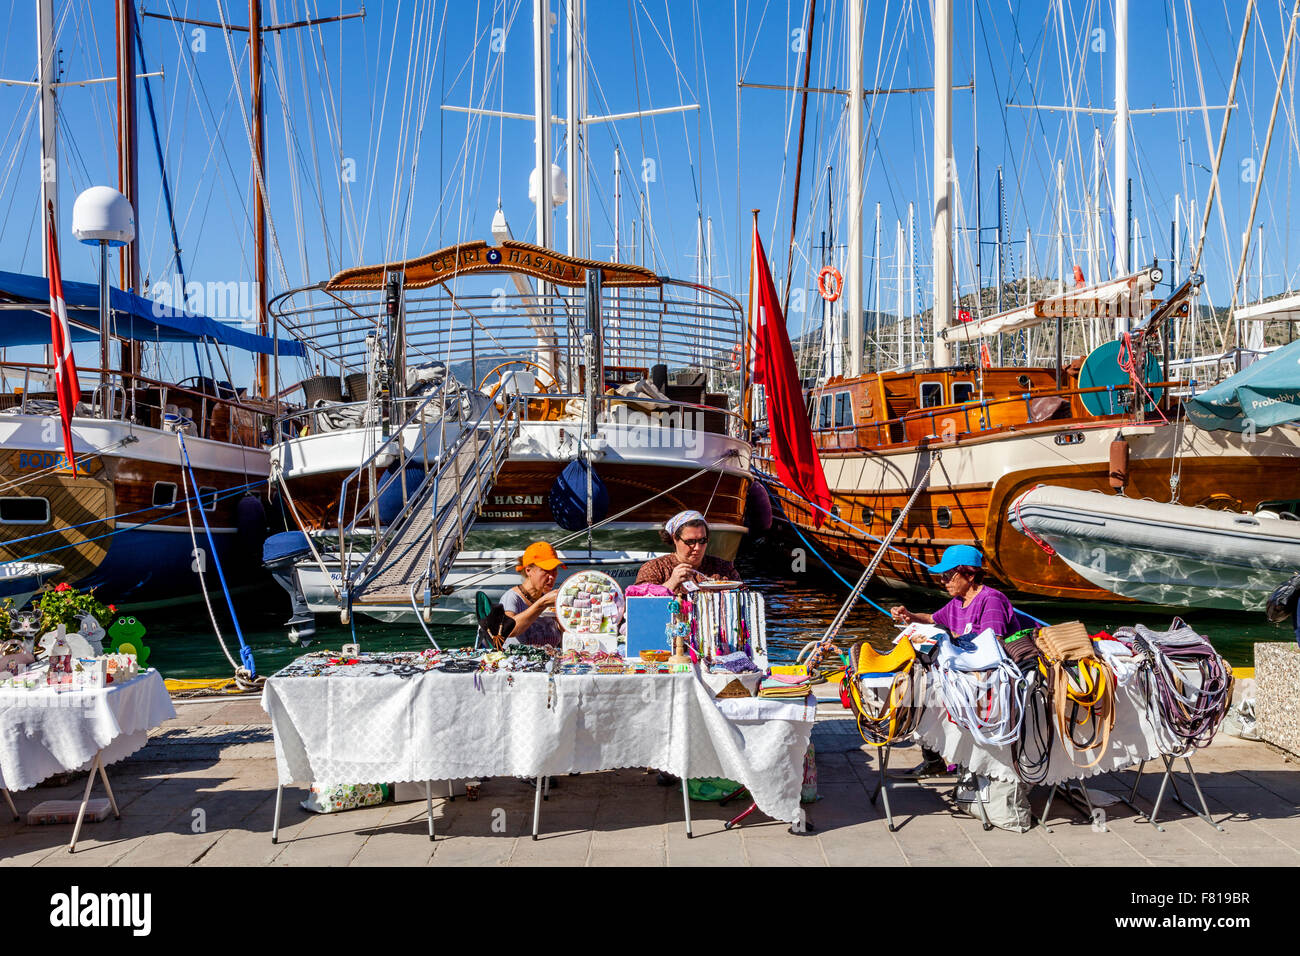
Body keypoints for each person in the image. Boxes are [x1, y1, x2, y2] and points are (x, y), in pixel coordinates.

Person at [889, 544, 1018, 777]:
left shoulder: (991, 600)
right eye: (943, 576)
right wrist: (910, 616)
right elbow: (931, 618)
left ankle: (943, 755)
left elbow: (994, 644)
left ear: (969, 574)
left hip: (987, 679)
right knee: (914, 685)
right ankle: (933, 755)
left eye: (948, 576)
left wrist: (952, 638)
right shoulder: (958, 601)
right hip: (961, 673)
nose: (944, 581)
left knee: (926, 694)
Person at [635, 510, 741, 594]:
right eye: (690, 542)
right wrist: (671, 583)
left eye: (702, 540)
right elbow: (639, 603)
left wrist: (733, 594)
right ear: (674, 539)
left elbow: (744, 595)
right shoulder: (655, 568)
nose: (697, 547)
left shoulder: (723, 568)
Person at [499, 541, 566, 648]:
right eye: (546, 571)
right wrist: (541, 604)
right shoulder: (512, 597)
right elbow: (507, 630)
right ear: (529, 570)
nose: (552, 577)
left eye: (554, 570)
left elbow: (562, 630)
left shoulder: (548, 598)